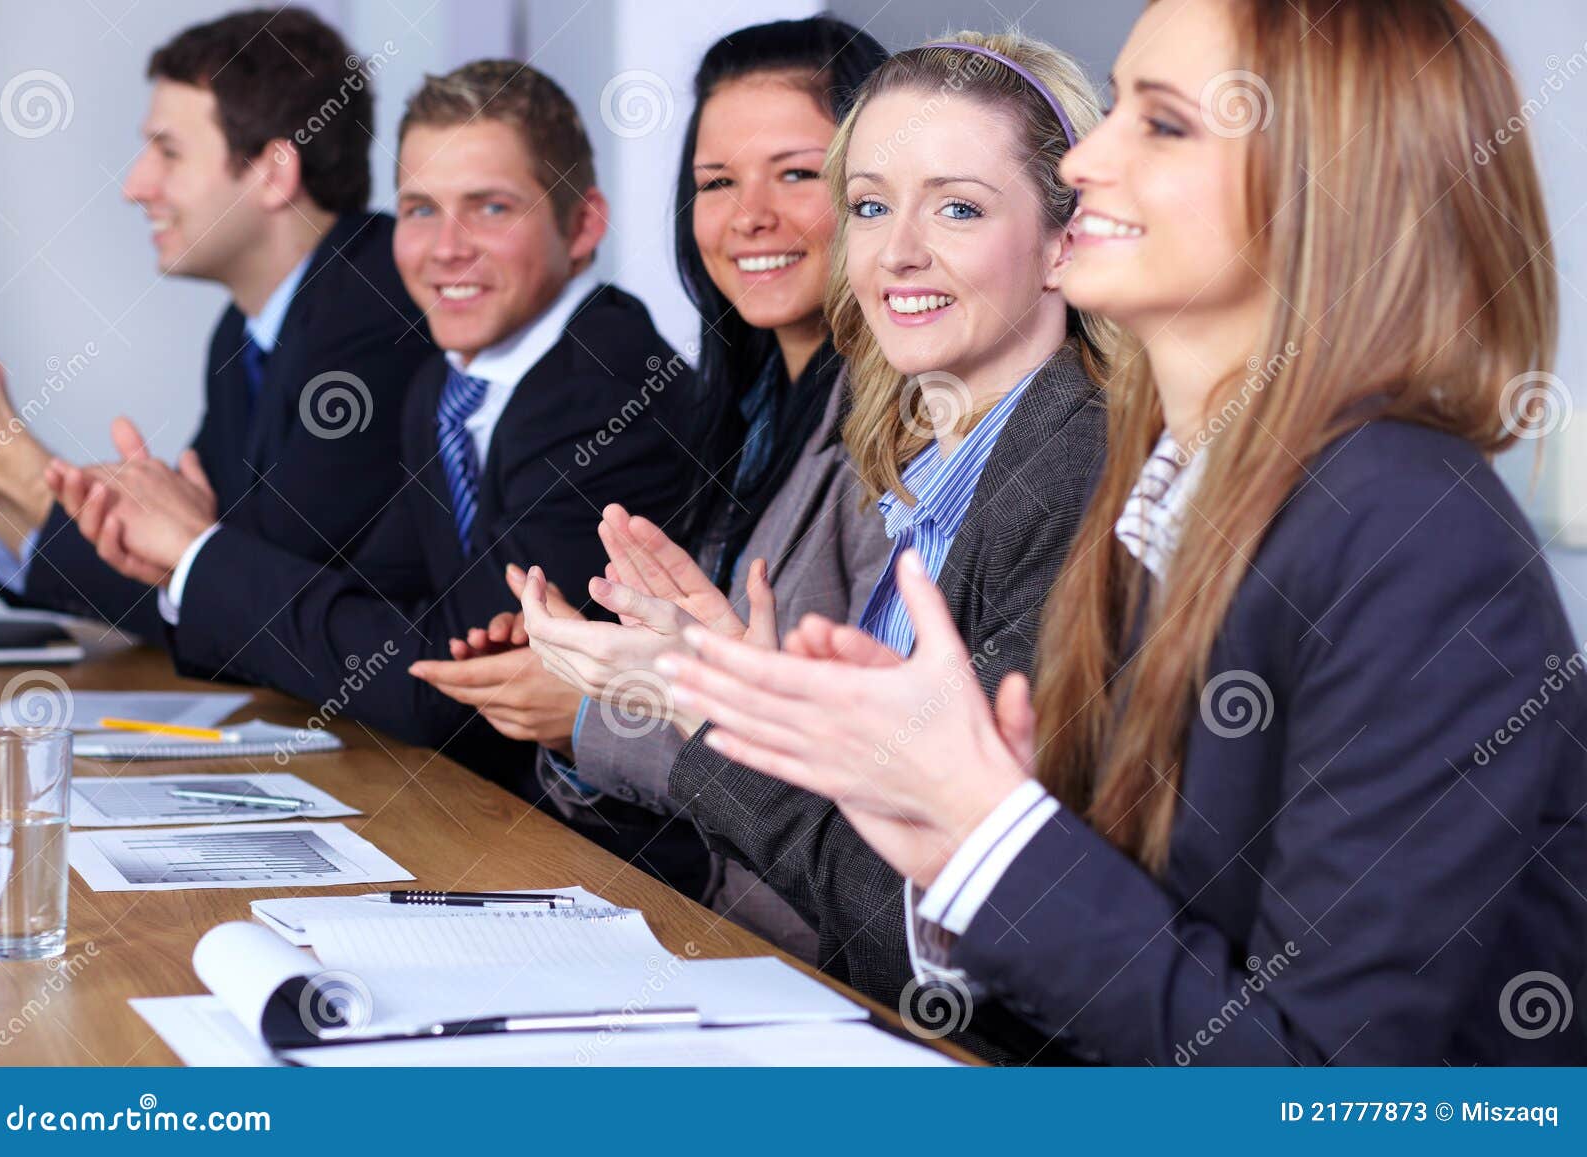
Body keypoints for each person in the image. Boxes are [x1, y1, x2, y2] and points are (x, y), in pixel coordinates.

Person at [660, 0, 1587, 1065]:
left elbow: (1321, 1094)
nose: (1086, 160)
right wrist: (947, 829)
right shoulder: (1165, 491)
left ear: (1326, 188)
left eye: (1163, 123)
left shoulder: (1407, 535)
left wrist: (989, 832)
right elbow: (1144, 968)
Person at [485, 32, 1114, 1003]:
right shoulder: (936, 467)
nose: (897, 251)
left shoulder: (1075, 475)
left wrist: (712, 714)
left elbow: (926, 923)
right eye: (869, 205)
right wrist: (746, 691)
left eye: (957, 207)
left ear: (1064, 243)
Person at [46, 62, 702, 893]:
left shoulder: (607, 389)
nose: (445, 247)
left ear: (583, 226)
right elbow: (371, 601)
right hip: (489, 827)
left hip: (631, 871)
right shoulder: (443, 385)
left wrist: (199, 552)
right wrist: (190, 558)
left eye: (491, 207)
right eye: (420, 209)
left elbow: (438, 687)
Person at [407, 17, 891, 956]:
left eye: (796, 173)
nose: (749, 216)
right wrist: (586, 667)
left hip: (808, 961)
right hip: (693, 918)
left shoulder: (903, 434)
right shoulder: (740, 408)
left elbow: (847, 784)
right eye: (717, 183)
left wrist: (600, 712)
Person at [0, 7, 431, 646]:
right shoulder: (243, 336)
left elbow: (239, 597)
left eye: (168, 151)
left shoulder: (379, 310)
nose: (135, 186)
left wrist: (13, 463)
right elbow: (189, 578)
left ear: (273, 172)